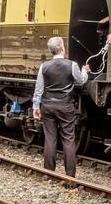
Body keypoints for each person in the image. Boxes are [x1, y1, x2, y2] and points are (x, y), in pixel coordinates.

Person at [32, 36, 90, 178]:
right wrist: (85, 71)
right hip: (65, 106)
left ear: (51, 51)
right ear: (62, 48)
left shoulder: (43, 66)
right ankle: (70, 175)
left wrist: (35, 107)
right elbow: (81, 81)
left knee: (50, 139)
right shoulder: (72, 65)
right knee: (68, 139)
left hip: (48, 106)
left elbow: (39, 89)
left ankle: (48, 172)